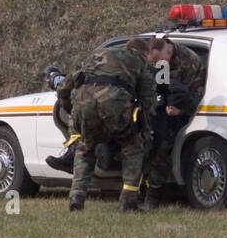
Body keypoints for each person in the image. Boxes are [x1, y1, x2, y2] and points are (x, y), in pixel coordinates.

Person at [64, 37, 156, 212]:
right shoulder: (139, 60)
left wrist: (71, 110)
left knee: (85, 148)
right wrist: (146, 120)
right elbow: (148, 95)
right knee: (132, 147)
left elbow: (67, 84)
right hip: (113, 103)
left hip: (83, 102)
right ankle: (128, 202)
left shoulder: (96, 54)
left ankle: (76, 196)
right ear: (144, 53)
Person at [142, 37, 207, 209]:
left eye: (158, 61)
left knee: (164, 146)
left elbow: (197, 97)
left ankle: (153, 195)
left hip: (178, 114)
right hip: (152, 110)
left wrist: (181, 110)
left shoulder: (191, 63)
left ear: (169, 52)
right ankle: (137, 189)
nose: (156, 65)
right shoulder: (150, 56)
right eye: (152, 61)